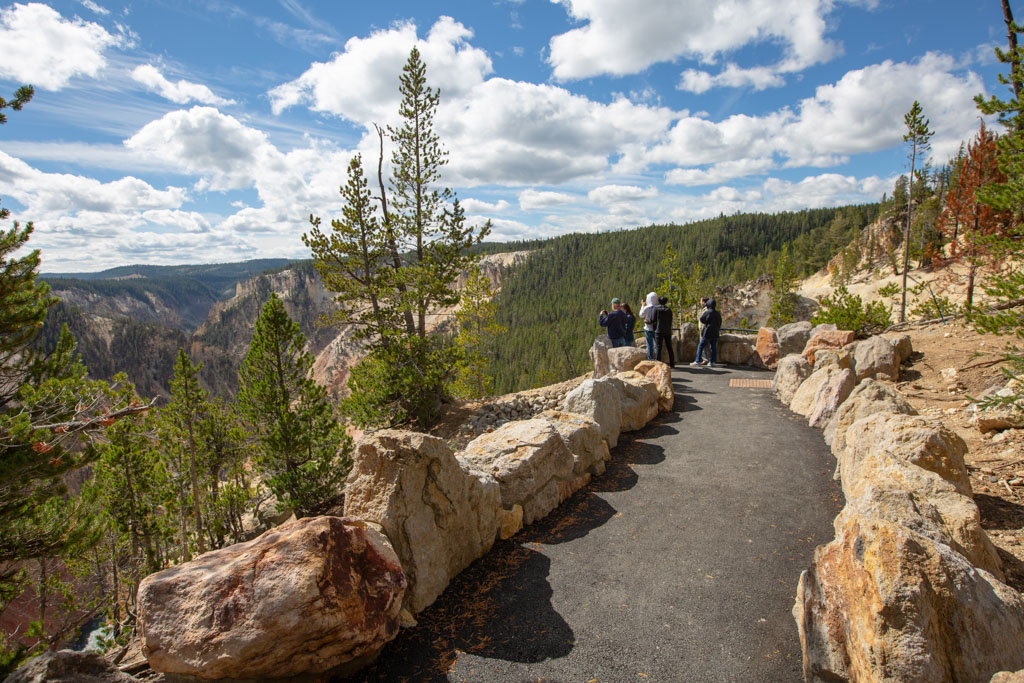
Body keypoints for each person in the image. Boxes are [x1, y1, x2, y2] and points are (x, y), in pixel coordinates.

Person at [691, 297, 722, 368]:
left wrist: (707, 323)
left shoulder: (708, 312)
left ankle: (697, 360)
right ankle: (712, 362)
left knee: (701, 345)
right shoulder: (717, 313)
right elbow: (720, 322)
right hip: (715, 332)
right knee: (713, 347)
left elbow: (702, 319)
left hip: (707, 332)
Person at [653, 296, 675, 367]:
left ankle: (658, 364)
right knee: (669, 347)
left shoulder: (656, 308)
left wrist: (648, 321)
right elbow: (670, 320)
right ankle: (672, 363)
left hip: (659, 330)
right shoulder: (669, 310)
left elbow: (653, 319)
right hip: (667, 330)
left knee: (658, 348)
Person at [639, 292, 659, 359]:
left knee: (649, 345)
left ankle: (650, 358)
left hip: (647, 328)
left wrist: (642, 305)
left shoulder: (646, 308)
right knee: (656, 345)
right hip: (656, 328)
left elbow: (641, 315)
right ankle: (657, 358)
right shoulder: (658, 307)